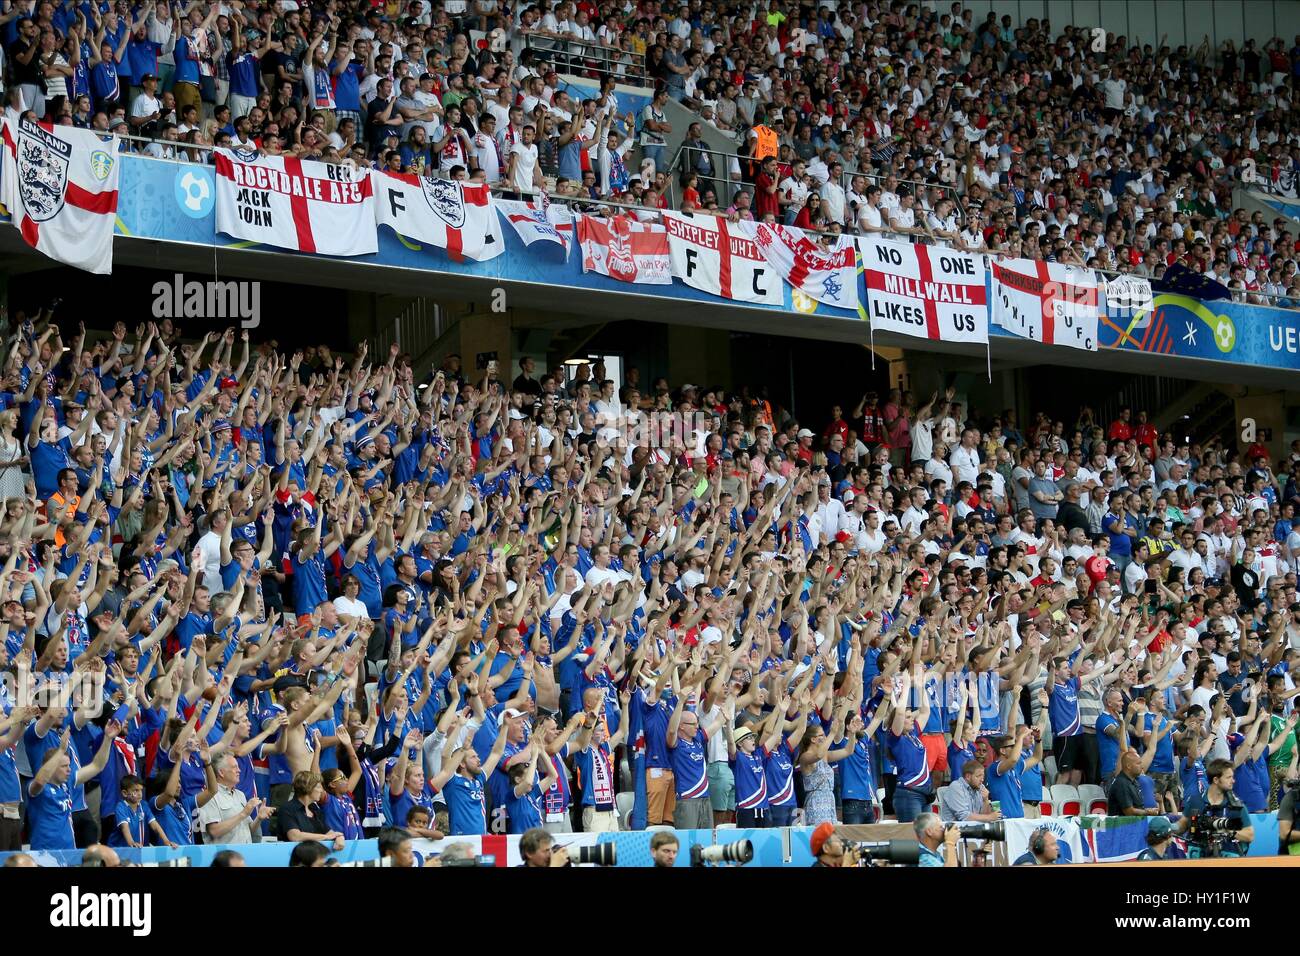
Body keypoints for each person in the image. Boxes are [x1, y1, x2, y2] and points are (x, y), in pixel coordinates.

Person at [1179, 758, 1255, 858]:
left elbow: (1249, 835)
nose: (1233, 781)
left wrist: (1228, 831)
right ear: (1216, 780)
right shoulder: (1195, 802)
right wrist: (1168, 827)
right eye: (1228, 777)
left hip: (1227, 856)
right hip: (1199, 856)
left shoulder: (1236, 806)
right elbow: (1181, 826)